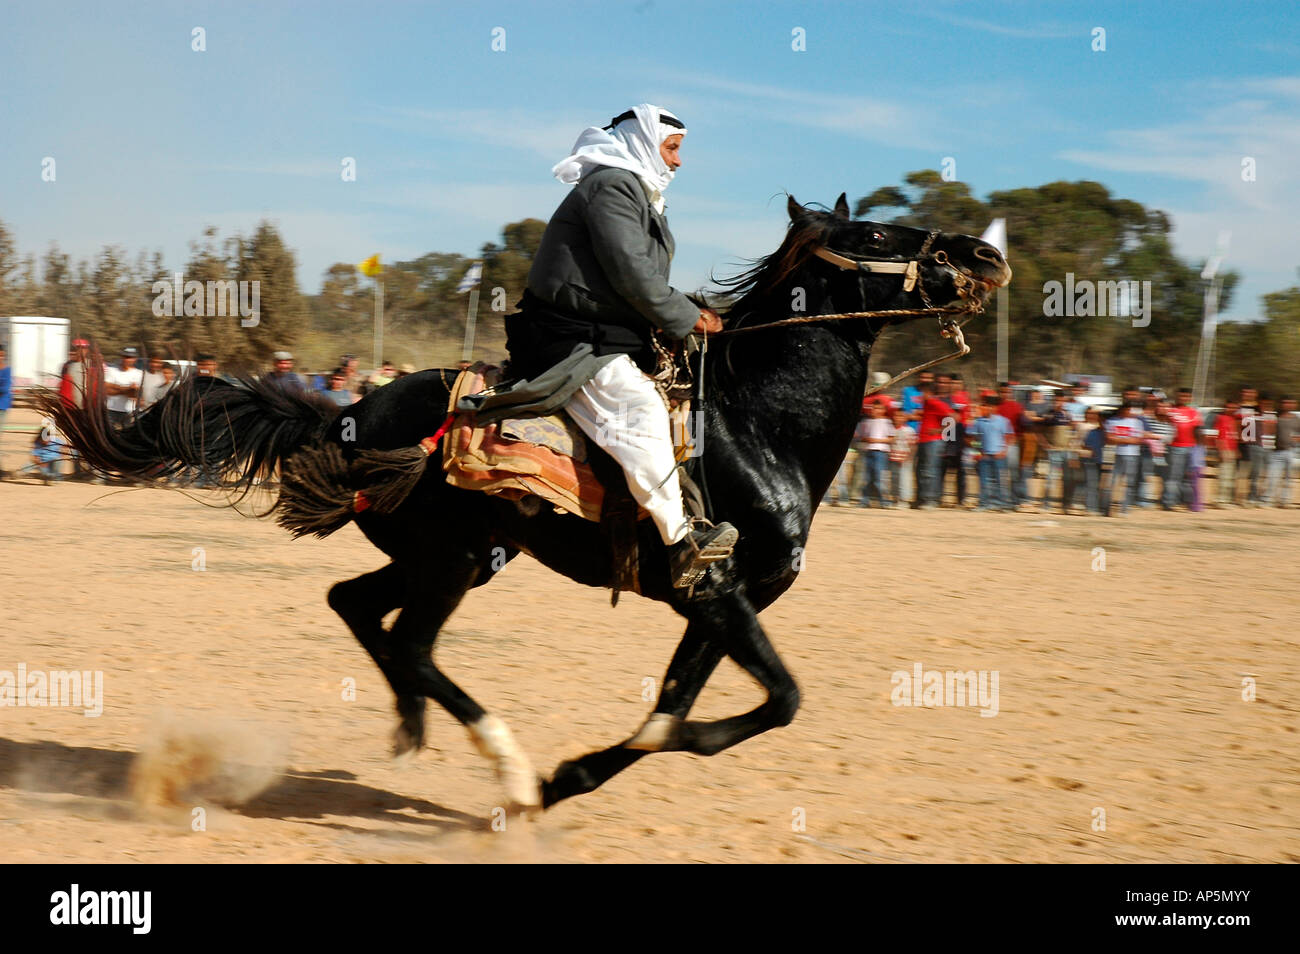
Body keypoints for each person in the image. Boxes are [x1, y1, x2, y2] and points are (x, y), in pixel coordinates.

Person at [490, 103, 734, 589]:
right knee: (640, 408)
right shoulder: (613, 185)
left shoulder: (636, 192)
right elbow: (630, 272)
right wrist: (687, 316)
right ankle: (681, 541)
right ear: (643, 143)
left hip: (602, 331)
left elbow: (636, 280)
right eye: (672, 148)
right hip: (568, 336)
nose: (679, 161)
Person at [971, 396, 1013, 511]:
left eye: (991, 406)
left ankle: (1000, 504)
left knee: (1000, 481)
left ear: (996, 408)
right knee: (984, 481)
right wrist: (978, 451)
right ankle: (983, 503)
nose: (989, 408)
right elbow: (973, 439)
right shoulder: (979, 422)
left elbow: (1009, 436)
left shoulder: (1003, 421)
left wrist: (1004, 451)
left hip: (998, 456)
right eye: (986, 406)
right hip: (984, 456)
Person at [915, 380, 952, 509]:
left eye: (922, 392)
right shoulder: (926, 404)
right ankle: (922, 498)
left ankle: (930, 500)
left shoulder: (935, 403)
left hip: (933, 441)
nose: (920, 395)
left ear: (928, 392)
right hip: (924, 441)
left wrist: (938, 431)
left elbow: (951, 420)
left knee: (930, 471)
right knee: (921, 470)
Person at [1163, 388, 1202, 510]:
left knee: (1188, 478)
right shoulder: (1171, 411)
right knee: (1174, 477)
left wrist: (1199, 449)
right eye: (1181, 396)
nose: (1183, 399)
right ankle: (1169, 502)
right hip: (1175, 448)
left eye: (1186, 396)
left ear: (1190, 398)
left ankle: (1185, 501)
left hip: (1191, 448)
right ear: (1176, 396)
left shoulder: (1194, 412)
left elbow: (1197, 431)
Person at [1105, 402, 1146, 515]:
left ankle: (1125, 508)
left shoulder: (1137, 422)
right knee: (1112, 482)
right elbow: (1109, 438)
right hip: (1116, 455)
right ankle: (1108, 508)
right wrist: (1128, 440)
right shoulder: (1112, 421)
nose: (1127, 412)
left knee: (1128, 483)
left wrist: (1118, 439)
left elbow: (1138, 440)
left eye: (1129, 410)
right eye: (1125, 410)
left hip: (1132, 455)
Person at [855, 401, 894, 508]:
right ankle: (865, 500)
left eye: (878, 408)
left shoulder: (886, 422)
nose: (875, 411)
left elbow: (891, 438)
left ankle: (884, 501)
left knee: (880, 478)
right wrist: (867, 439)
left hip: (881, 452)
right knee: (866, 478)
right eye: (873, 408)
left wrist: (876, 440)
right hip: (869, 451)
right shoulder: (867, 421)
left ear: (883, 410)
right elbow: (861, 436)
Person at [995, 383, 1028, 508]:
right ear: (999, 392)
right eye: (1002, 392)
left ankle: (1015, 500)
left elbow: (1022, 424)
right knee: (999, 474)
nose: (1004, 394)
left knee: (1013, 473)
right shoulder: (994, 406)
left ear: (1010, 393)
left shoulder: (1016, 406)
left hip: (1011, 443)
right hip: (996, 444)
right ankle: (1002, 500)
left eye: (1007, 392)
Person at [104, 346, 144, 428]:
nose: (127, 359)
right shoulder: (112, 370)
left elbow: (133, 394)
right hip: (111, 409)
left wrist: (116, 387)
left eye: (130, 357)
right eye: (126, 357)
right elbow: (107, 390)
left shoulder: (139, 373)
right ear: (122, 357)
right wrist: (127, 388)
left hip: (128, 411)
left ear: (135, 359)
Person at [1270, 395, 1299, 507]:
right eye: (1285, 403)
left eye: (1290, 403)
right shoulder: (1277, 417)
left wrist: (1296, 439)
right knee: (1273, 477)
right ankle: (1268, 499)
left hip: (1291, 451)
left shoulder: (1296, 419)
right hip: (1277, 452)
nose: (1288, 405)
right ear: (1282, 404)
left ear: (1294, 404)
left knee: (1288, 478)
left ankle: (1285, 501)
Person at [1212, 400, 1241, 507]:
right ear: (1225, 408)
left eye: (1234, 408)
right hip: (1225, 451)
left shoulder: (1234, 419)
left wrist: (1236, 450)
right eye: (1230, 407)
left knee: (1230, 477)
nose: (1232, 410)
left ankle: (1227, 500)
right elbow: (1219, 436)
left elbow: (1234, 436)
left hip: (1232, 450)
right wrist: (1222, 450)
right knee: (1223, 476)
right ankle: (1221, 500)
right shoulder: (1221, 418)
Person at [887, 408, 916, 506]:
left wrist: (909, 458)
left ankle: (904, 500)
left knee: (905, 479)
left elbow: (912, 445)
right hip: (893, 457)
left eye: (901, 416)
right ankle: (895, 498)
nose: (898, 418)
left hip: (905, 459)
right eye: (896, 416)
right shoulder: (891, 429)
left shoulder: (909, 430)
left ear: (905, 418)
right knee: (894, 479)